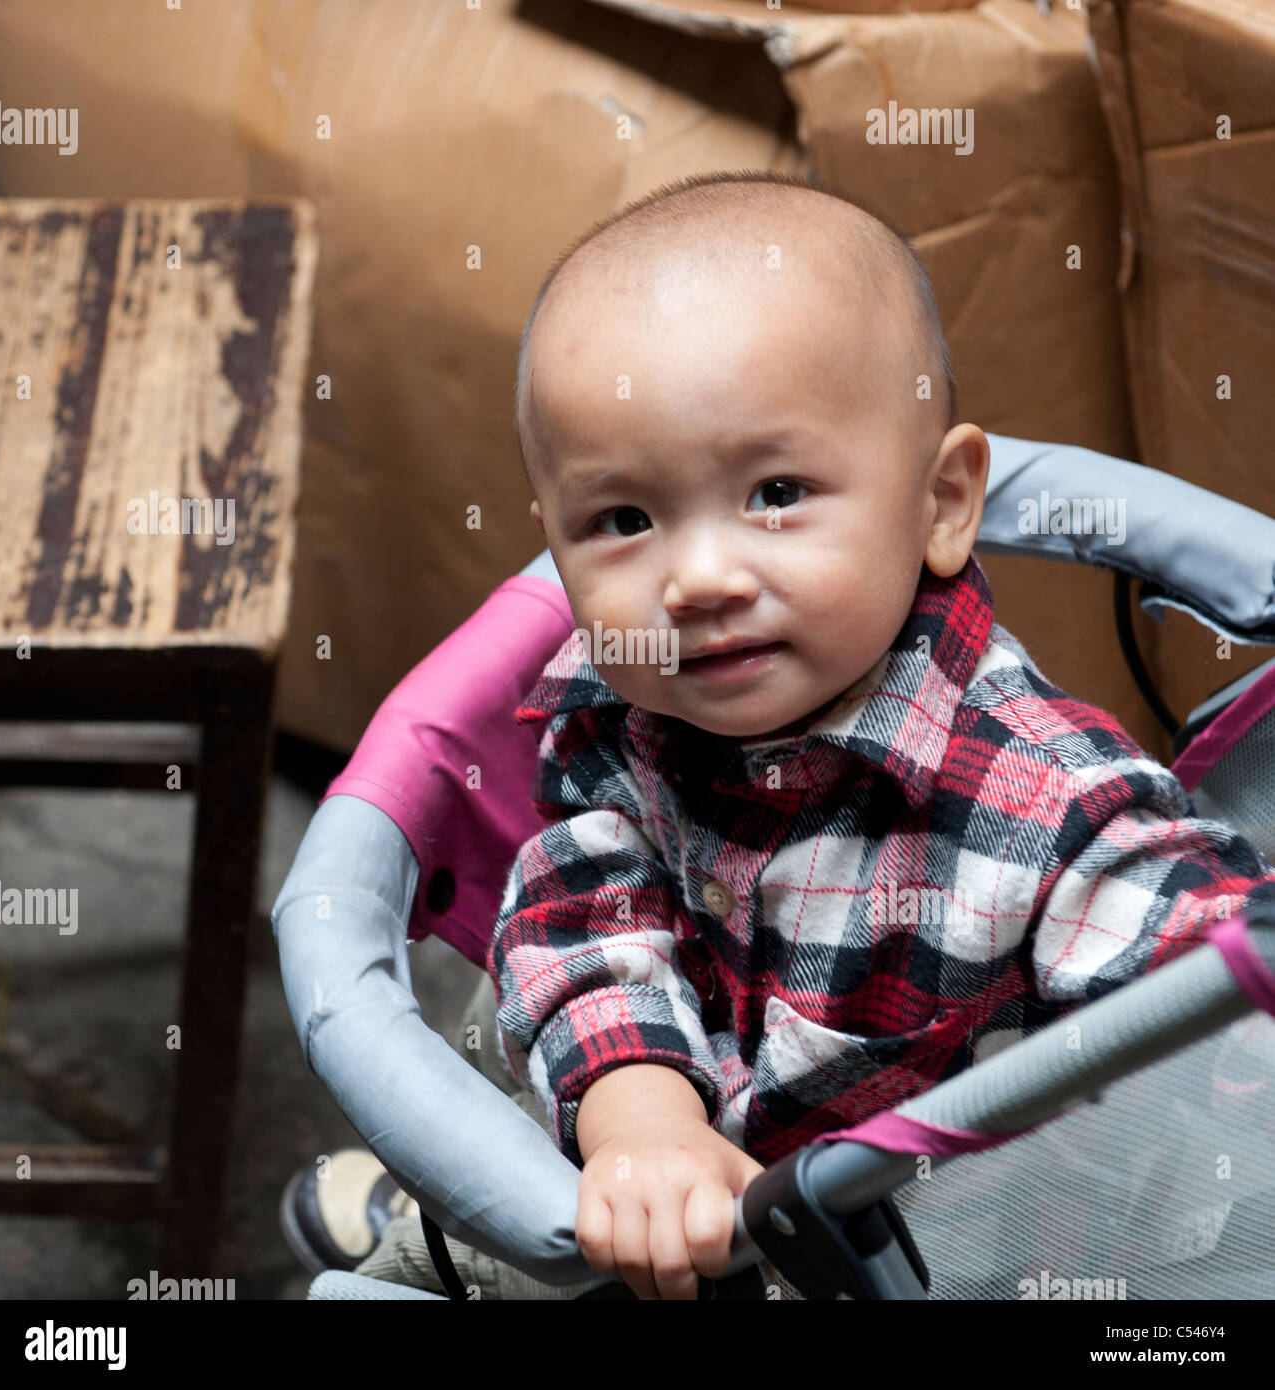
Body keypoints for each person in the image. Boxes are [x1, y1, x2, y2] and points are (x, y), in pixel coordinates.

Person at [486, 169, 1275, 1301]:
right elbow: (578, 917)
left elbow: (1173, 926)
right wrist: (638, 1117)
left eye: (776, 492)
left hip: (963, 1262)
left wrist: (1240, 981)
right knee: (522, 1187)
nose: (700, 578)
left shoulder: (1025, 781)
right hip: (678, 1202)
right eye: (622, 520)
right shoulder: (627, 719)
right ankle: (454, 1233)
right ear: (554, 549)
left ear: (943, 502)